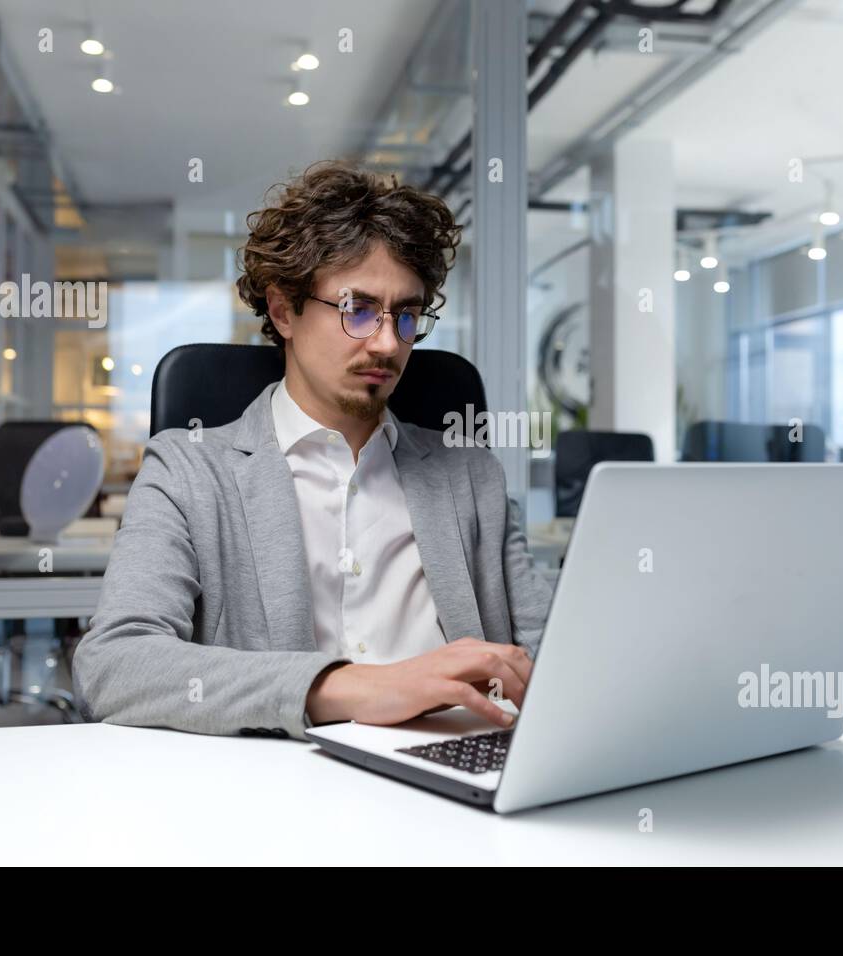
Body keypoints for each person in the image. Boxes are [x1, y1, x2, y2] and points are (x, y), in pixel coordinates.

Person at [72, 161, 553, 739]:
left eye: (406, 315)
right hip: (284, 796)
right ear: (283, 311)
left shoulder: (471, 475)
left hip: (459, 776)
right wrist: (350, 686)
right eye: (358, 309)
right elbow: (115, 665)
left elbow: (553, 653)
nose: (386, 342)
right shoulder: (189, 470)